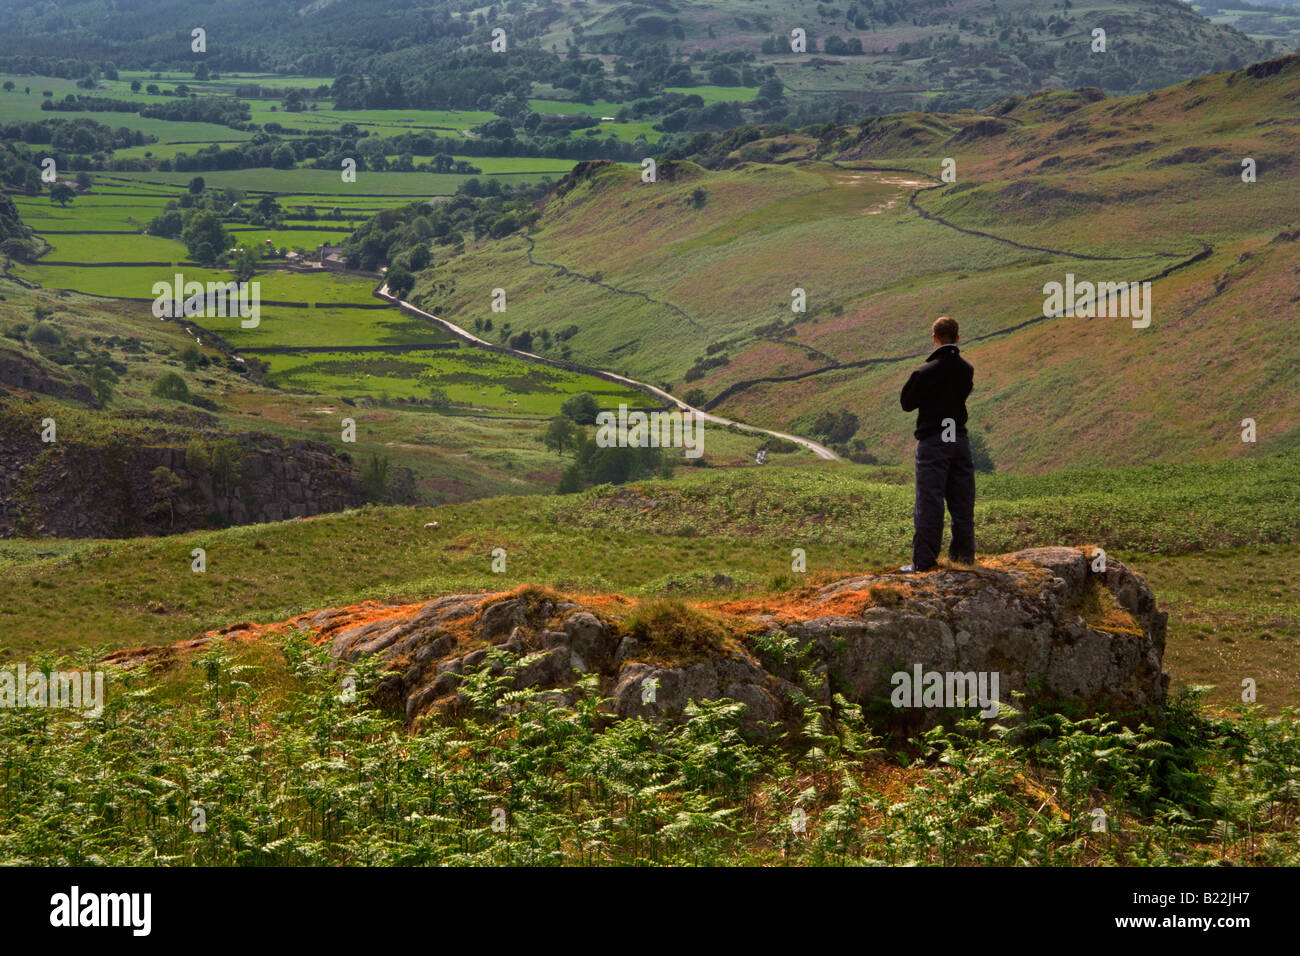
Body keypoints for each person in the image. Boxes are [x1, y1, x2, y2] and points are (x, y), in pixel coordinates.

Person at [899, 316, 975, 572]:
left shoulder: (925, 372)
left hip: (934, 440)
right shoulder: (966, 369)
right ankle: (963, 559)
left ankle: (923, 562)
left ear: (934, 338)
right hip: (959, 438)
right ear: (957, 337)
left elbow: (907, 403)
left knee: (930, 501)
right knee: (962, 501)